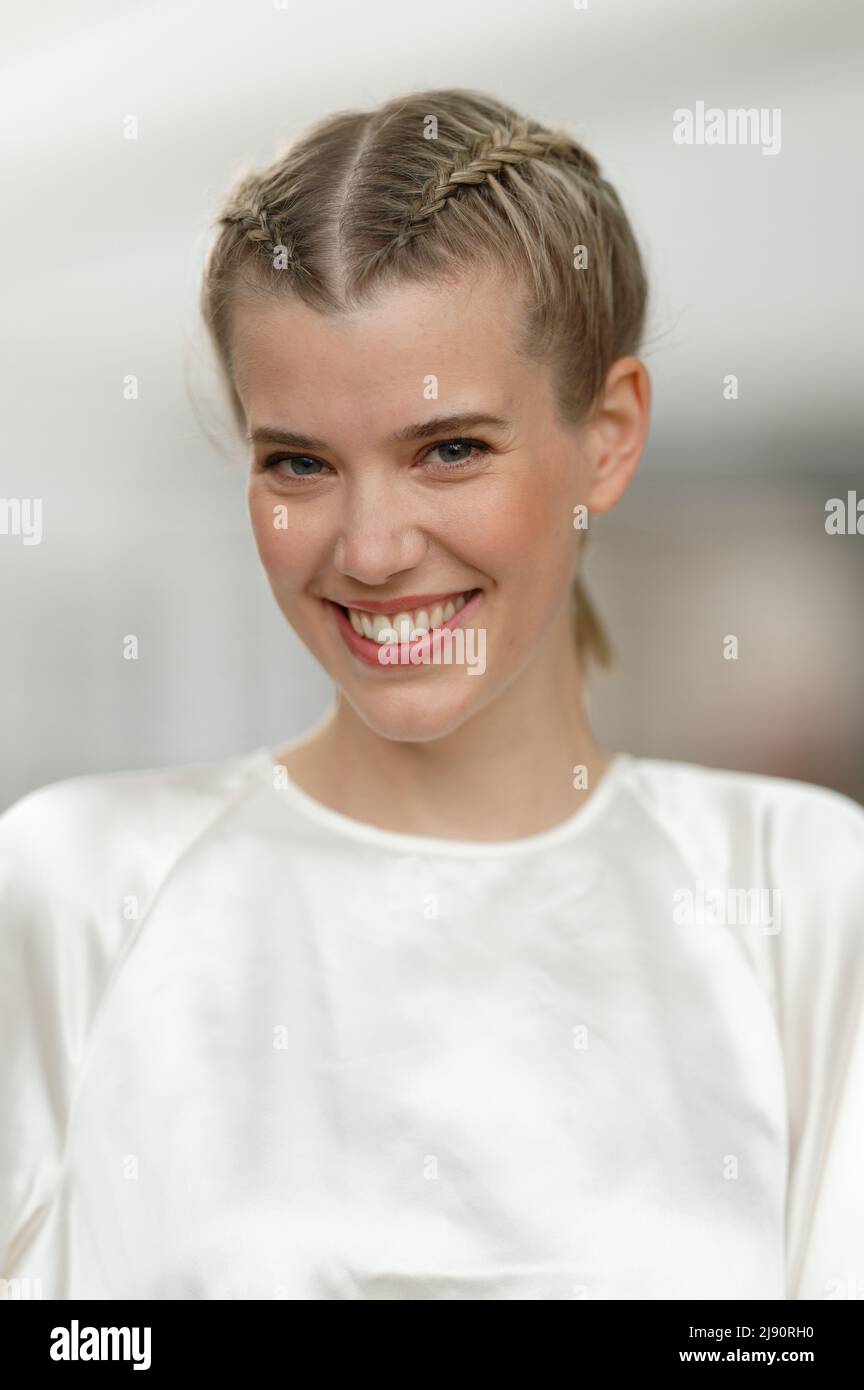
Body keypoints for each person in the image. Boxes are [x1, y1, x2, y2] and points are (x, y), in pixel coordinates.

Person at [1, 88, 862, 1302]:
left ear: (608, 437)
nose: (369, 548)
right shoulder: (73, 889)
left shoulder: (804, 898)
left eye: (448, 449)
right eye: (297, 462)